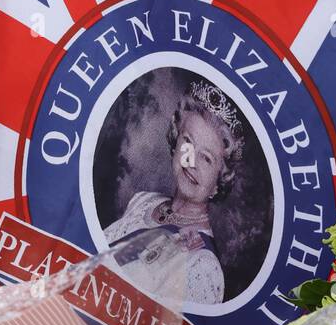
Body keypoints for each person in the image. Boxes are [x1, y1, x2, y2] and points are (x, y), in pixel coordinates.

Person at [104, 79, 243, 305]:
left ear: (220, 181)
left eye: (206, 158)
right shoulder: (144, 201)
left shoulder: (204, 268)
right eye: (188, 142)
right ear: (175, 140)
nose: (192, 162)